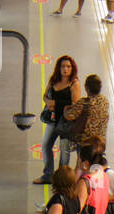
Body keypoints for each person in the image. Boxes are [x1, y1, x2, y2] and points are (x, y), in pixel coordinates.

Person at [34, 55, 81, 185]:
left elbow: (75, 103)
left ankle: (61, 178)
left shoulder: (74, 83)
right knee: (46, 144)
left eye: (68, 66)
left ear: (72, 69)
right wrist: (48, 102)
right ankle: (48, 174)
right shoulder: (54, 80)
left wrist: (56, 103)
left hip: (66, 122)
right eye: (62, 66)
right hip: (53, 120)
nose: (65, 69)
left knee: (64, 150)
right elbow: (45, 95)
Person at [63, 73, 109, 150]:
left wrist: (66, 109)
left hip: (86, 142)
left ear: (86, 88)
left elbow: (69, 116)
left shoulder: (84, 102)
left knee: (83, 160)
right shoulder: (104, 100)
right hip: (100, 142)